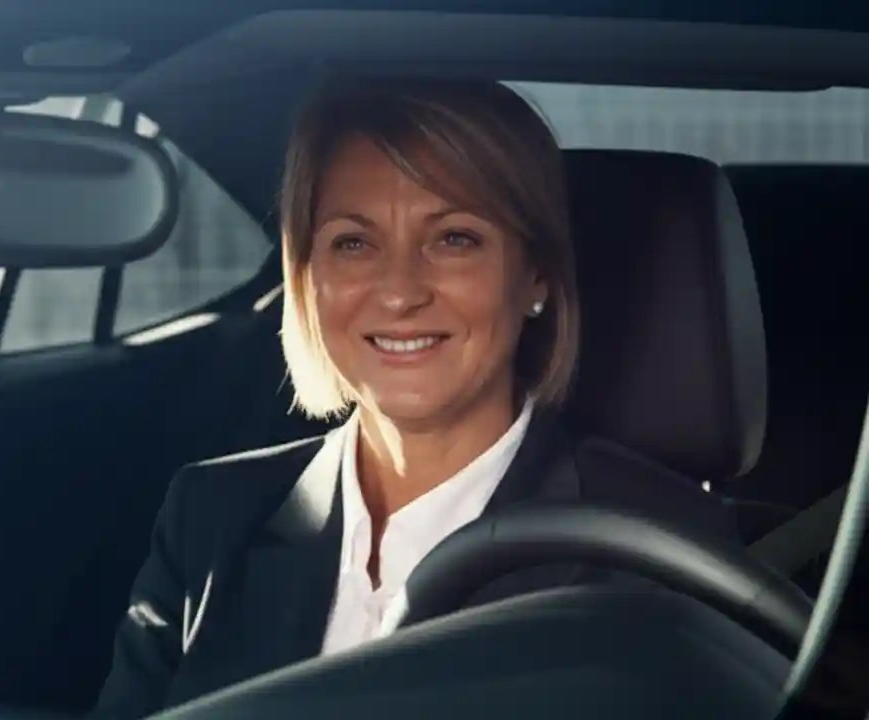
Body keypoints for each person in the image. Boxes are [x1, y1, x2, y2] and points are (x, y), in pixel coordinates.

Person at [92, 78, 740, 718]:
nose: (400, 292)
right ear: (307, 276)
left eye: (454, 238)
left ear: (536, 274)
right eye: (354, 242)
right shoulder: (209, 519)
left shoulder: (663, 551)